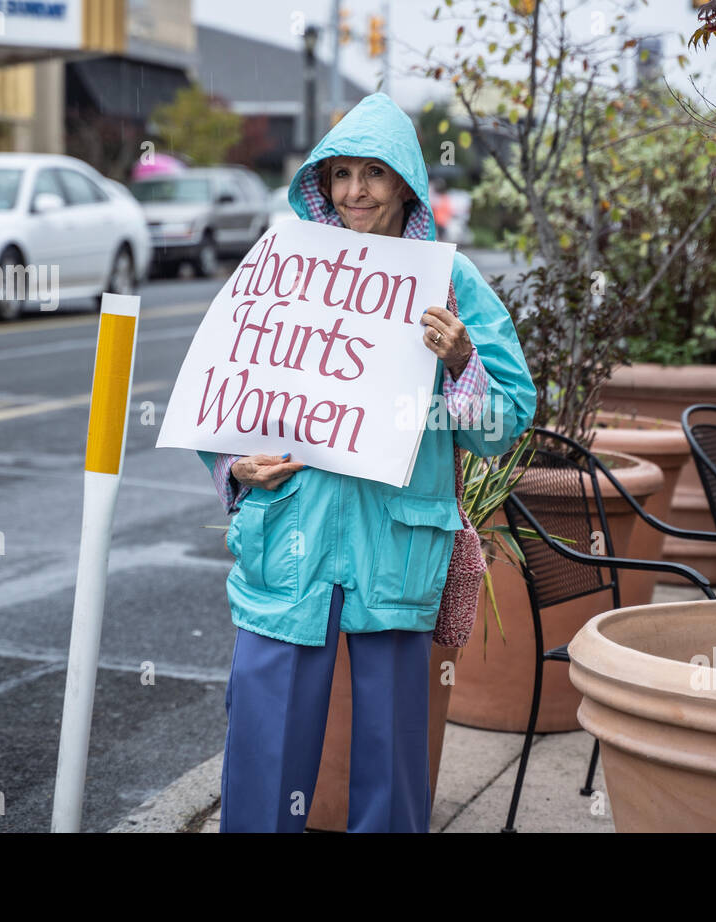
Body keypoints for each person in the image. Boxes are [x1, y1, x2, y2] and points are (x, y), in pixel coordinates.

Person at [194, 92, 536, 833]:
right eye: (340, 173)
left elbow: (501, 423)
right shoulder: (282, 268)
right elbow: (222, 388)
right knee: (262, 750)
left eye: (374, 174)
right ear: (319, 183)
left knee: (391, 758)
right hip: (289, 539)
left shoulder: (451, 284)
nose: (355, 191)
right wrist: (236, 467)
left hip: (395, 544)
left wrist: (462, 360)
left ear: (406, 184)